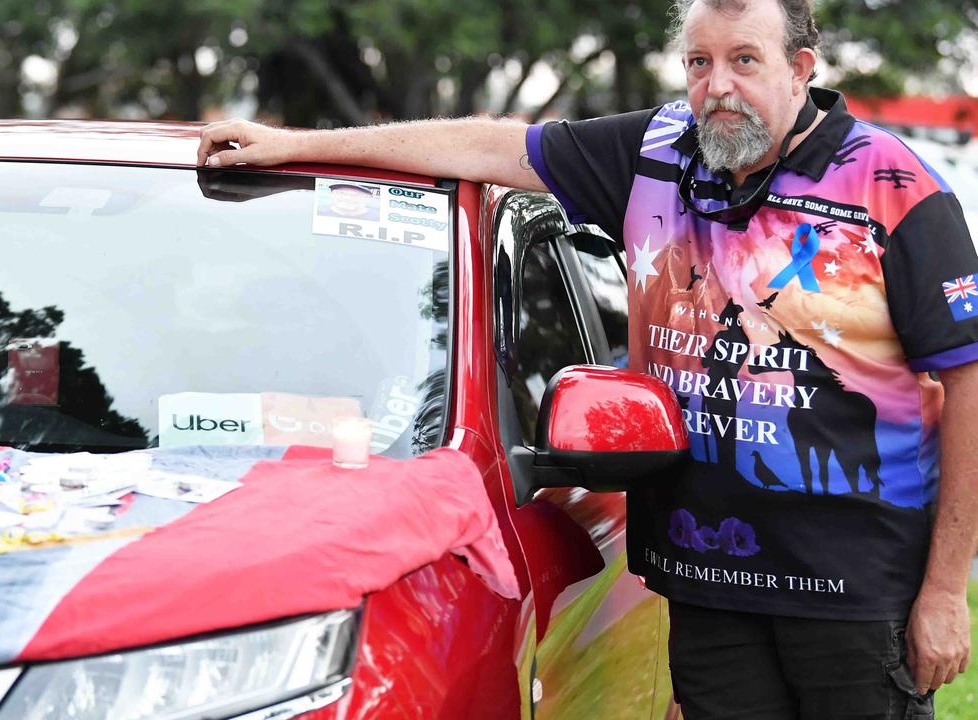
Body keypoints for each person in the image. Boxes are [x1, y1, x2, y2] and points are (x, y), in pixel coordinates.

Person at [196, 0, 977, 717]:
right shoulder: (657, 152)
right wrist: (300, 144)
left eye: (744, 60)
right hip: (706, 579)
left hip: (854, 592)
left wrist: (944, 590)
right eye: (698, 63)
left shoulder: (893, 186)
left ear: (800, 70)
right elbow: (484, 144)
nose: (718, 87)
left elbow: (967, 380)